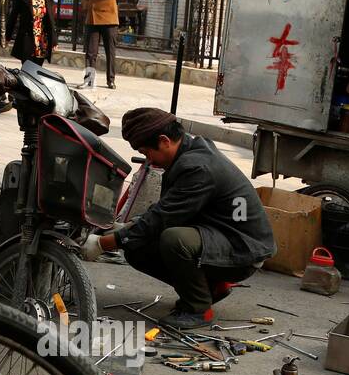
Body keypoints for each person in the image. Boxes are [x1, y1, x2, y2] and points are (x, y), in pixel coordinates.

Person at [82, 108, 275, 329]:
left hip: (243, 250)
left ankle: (198, 309)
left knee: (175, 240)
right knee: (136, 245)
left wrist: (103, 244)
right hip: (221, 237)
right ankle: (212, 288)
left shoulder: (197, 167)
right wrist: (127, 228)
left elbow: (164, 218)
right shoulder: (188, 153)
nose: (148, 160)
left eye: (146, 153)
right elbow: (168, 209)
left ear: (164, 141)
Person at [78, 0, 122, 90]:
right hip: (93, 18)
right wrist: (87, 5)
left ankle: (111, 80)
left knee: (110, 52)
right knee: (90, 53)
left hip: (110, 19)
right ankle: (89, 80)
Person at [6, 0, 56, 66]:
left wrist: (54, 40)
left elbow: (51, 21)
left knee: (37, 70)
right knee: (26, 67)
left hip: (41, 39)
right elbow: (13, 16)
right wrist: (8, 36)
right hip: (27, 37)